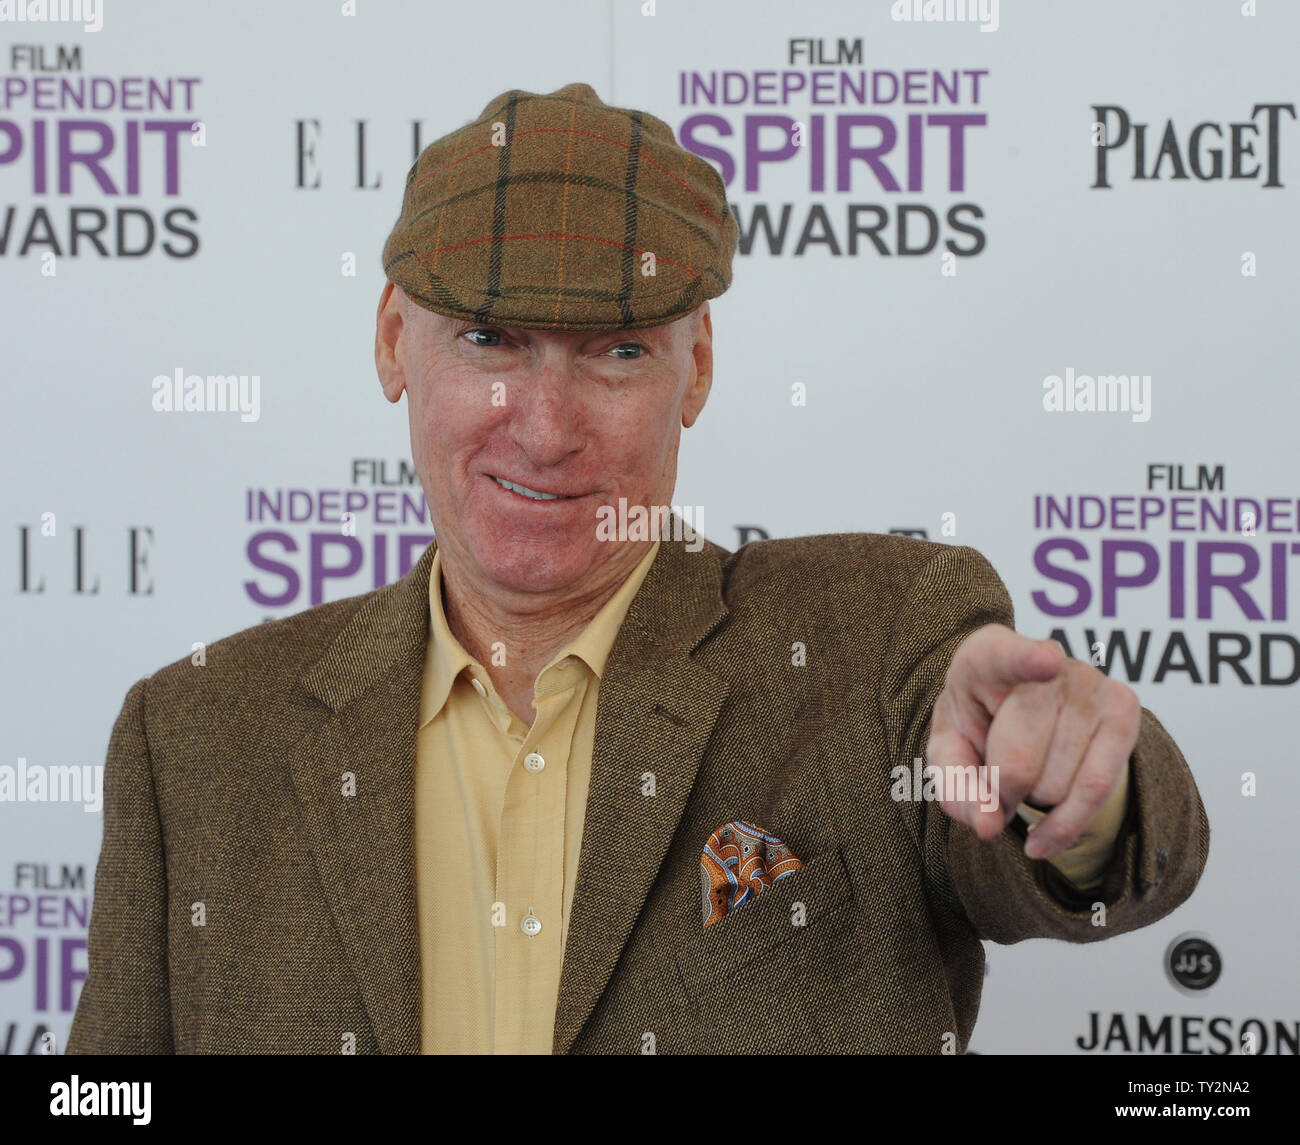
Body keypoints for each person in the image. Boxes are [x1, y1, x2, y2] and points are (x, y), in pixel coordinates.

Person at [68, 82, 1208, 1055]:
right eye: (489, 341)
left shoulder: (877, 638)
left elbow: (1099, 865)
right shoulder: (197, 737)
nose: (547, 426)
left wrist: (1079, 788)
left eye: (617, 354)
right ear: (389, 343)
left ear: (695, 368)